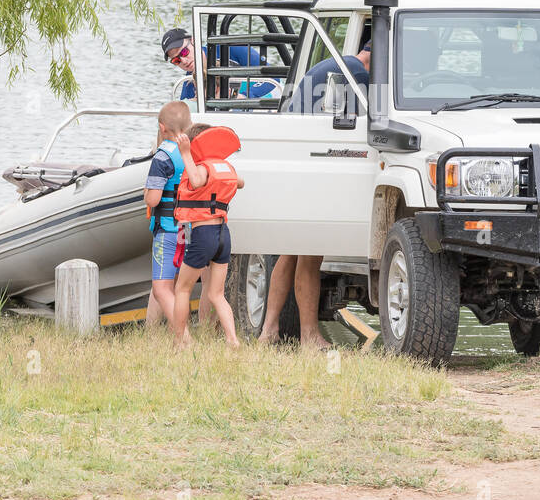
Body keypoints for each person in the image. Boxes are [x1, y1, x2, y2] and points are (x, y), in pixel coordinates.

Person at [258, 43, 371, 349]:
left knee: (290, 251)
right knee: (310, 253)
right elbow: (358, 122)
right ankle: (309, 335)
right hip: (311, 164)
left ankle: (269, 330)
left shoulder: (332, 65)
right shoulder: (356, 72)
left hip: (295, 158)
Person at [170, 123, 245, 348]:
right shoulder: (225, 167)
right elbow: (240, 183)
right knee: (217, 293)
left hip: (203, 234)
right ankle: (233, 340)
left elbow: (196, 180)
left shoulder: (200, 167)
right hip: (223, 234)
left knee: (182, 288)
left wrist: (185, 153)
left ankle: (179, 341)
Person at [142, 101, 191, 330]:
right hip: (188, 230)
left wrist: (145, 193)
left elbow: (153, 199)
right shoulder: (192, 154)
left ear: (162, 128)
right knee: (177, 285)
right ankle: (152, 331)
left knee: (162, 286)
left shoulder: (162, 158)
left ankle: (184, 334)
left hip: (168, 231)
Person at [160, 27, 280, 102]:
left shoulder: (231, 49)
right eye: (176, 60)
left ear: (194, 41)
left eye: (184, 52)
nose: (184, 61)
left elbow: (273, 76)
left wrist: (243, 97)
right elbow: (187, 112)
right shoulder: (189, 82)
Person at [284, 41, 371, 113]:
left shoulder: (340, 61)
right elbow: (358, 118)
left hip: (296, 124)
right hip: (309, 129)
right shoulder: (358, 73)